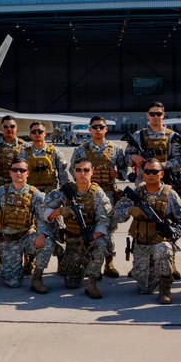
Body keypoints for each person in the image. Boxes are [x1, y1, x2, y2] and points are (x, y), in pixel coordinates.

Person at [112, 159, 181, 303]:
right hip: (141, 243)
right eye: (147, 171)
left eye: (155, 171)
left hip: (161, 243)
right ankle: (147, 271)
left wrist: (169, 236)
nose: (151, 175)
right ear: (143, 174)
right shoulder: (136, 192)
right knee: (145, 288)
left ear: (161, 174)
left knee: (163, 249)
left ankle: (165, 286)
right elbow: (116, 214)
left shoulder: (170, 195)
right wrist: (130, 210)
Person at [43, 158, 113, 299]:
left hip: (92, 239)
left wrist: (91, 238)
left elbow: (104, 221)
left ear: (92, 171)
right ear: (73, 172)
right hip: (72, 240)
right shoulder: (65, 191)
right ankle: (85, 264)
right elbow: (44, 211)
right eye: (79, 170)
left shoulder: (98, 194)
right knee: (71, 283)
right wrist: (61, 211)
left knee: (101, 244)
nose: (83, 173)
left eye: (86, 170)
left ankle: (91, 281)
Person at [0, 157, 53, 292]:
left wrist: (42, 234)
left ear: (28, 173)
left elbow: (42, 217)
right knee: (13, 282)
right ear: (10, 173)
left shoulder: (35, 194)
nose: (18, 173)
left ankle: (37, 277)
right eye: (15, 170)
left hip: (27, 236)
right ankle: (10, 264)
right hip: (7, 240)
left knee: (47, 244)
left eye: (22, 170)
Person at [70, 115, 127, 278]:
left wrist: (118, 173)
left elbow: (124, 170)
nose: (98, 129)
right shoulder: (81, 149)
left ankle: (109, 262)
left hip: (108, 193)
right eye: (95, 127)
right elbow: (72, 170)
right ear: (89, 129)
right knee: (88, 226)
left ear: (106, 129)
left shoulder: (115, 149)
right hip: (88, 195)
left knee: (109, 228)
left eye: (101, 127)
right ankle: (89, 261)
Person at [123, 102, 181, 202]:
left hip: (166, 184)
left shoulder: (173, 136)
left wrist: (159, 167)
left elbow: (179, 161)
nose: (155, 116)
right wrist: (133, 157)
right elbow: (126, 159)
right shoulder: (138, 135)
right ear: (147, 115)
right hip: (142, 185)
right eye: (152, 114)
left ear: (163, 115)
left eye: (159, 114)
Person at [25, 122, 69, 194]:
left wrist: (65, 192)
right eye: (33, 132)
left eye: (40, 131)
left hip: (51, 193)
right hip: (30, 194)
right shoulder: (24, 153)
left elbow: (63, 174)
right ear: (30, 134)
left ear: (45, 133)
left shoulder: (55, 152)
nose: (37, 134)